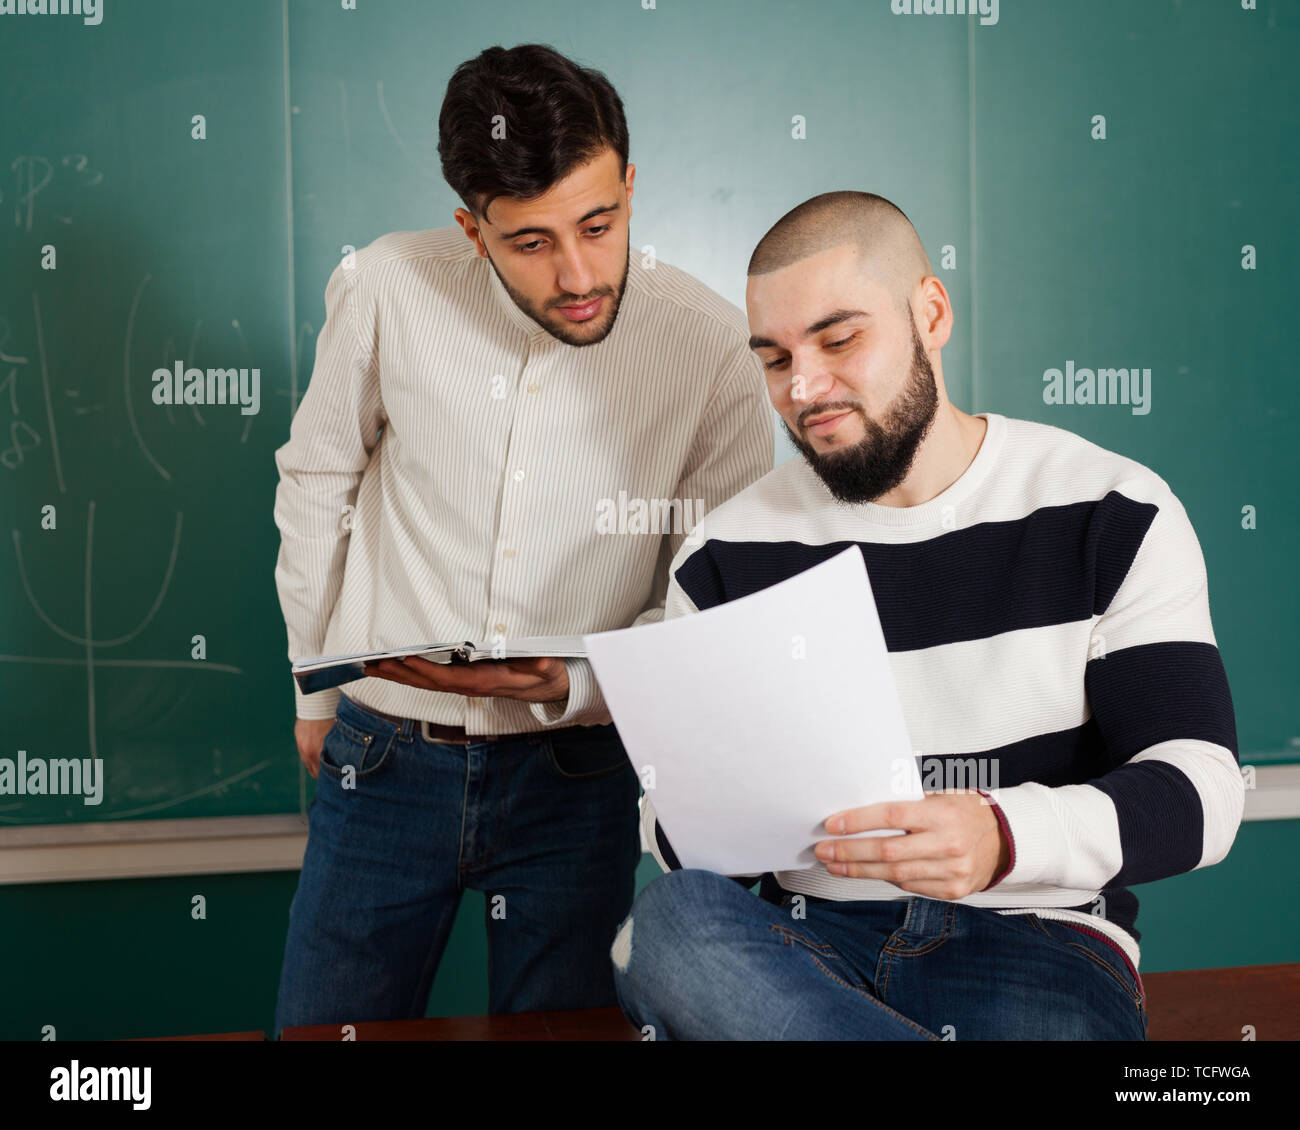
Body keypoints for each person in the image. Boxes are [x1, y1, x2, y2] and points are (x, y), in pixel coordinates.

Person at [612, 190, 1243, 1041]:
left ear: (930, 312)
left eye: (840, 340)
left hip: (1037, 942)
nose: (805, 387)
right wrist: (708, 812)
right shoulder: (726, 555)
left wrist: (999, 834)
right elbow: (680, 840)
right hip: (809, 945)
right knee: (667, 924)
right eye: (774, 358)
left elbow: (1200, 790)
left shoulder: (1111, 509)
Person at [271, 43, 772, 1034]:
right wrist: (313, 681)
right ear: (472, 228)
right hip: (382, 755)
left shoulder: (713, 348)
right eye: (530, 242)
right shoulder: (385, 285)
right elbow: (317, 473)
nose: (578, 273)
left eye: (599, 223)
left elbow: (712, 592)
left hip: (580, 772)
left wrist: (576, 684)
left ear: (630, 184)